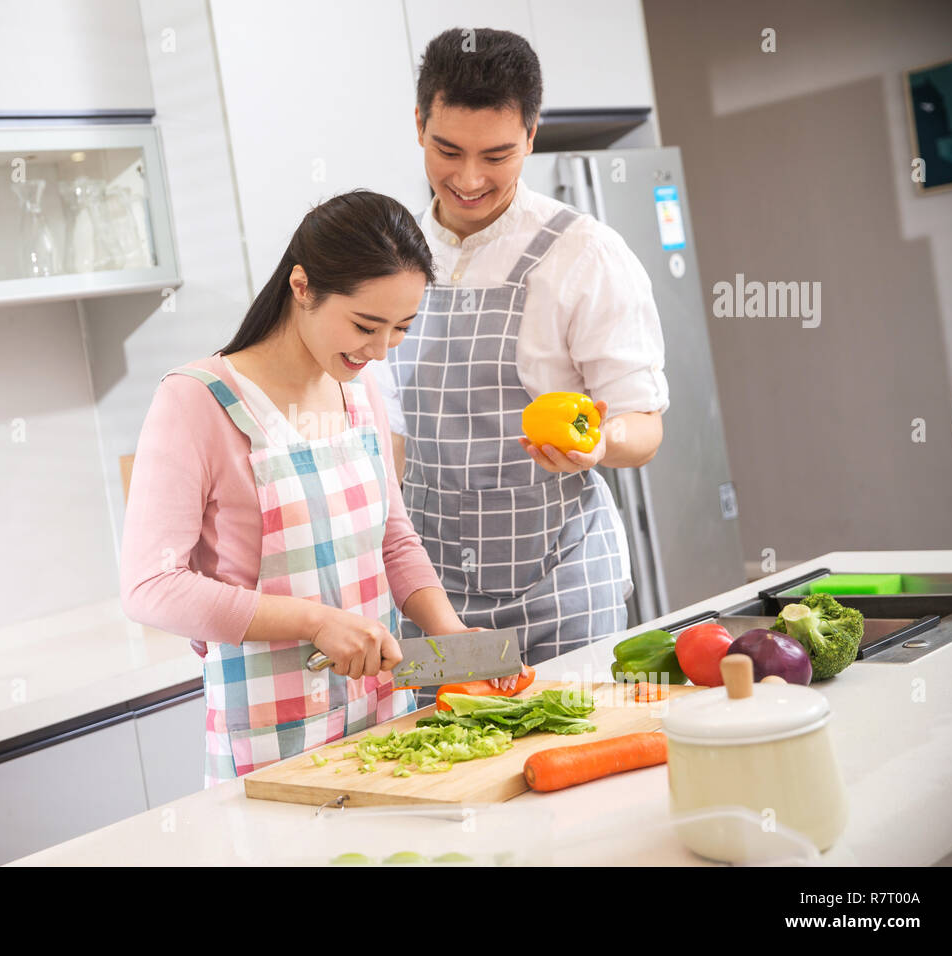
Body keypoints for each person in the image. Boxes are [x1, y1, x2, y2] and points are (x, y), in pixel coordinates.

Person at [120, 191, 506, 787]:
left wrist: (450, 634)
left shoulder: (358, 390)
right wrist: (313, 621)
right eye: (364, 325)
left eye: (400, 328)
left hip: (386, 720)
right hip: (273, 740)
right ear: (302, 286)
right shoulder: (196, 401)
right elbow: (150, 587)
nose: (378, 352)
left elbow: (394, 541)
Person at [372, 27, 669, 667]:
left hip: (562, 587)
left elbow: (642, 425)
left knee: (575, 755)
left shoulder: (583, 253)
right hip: (434, 599)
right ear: (419, 122)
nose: (470, 178)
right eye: (447, 149)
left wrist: (596, 443)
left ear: (532, 136)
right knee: (447, 762)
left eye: (498, 155)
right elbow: (390, 437)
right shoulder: (391, 259)